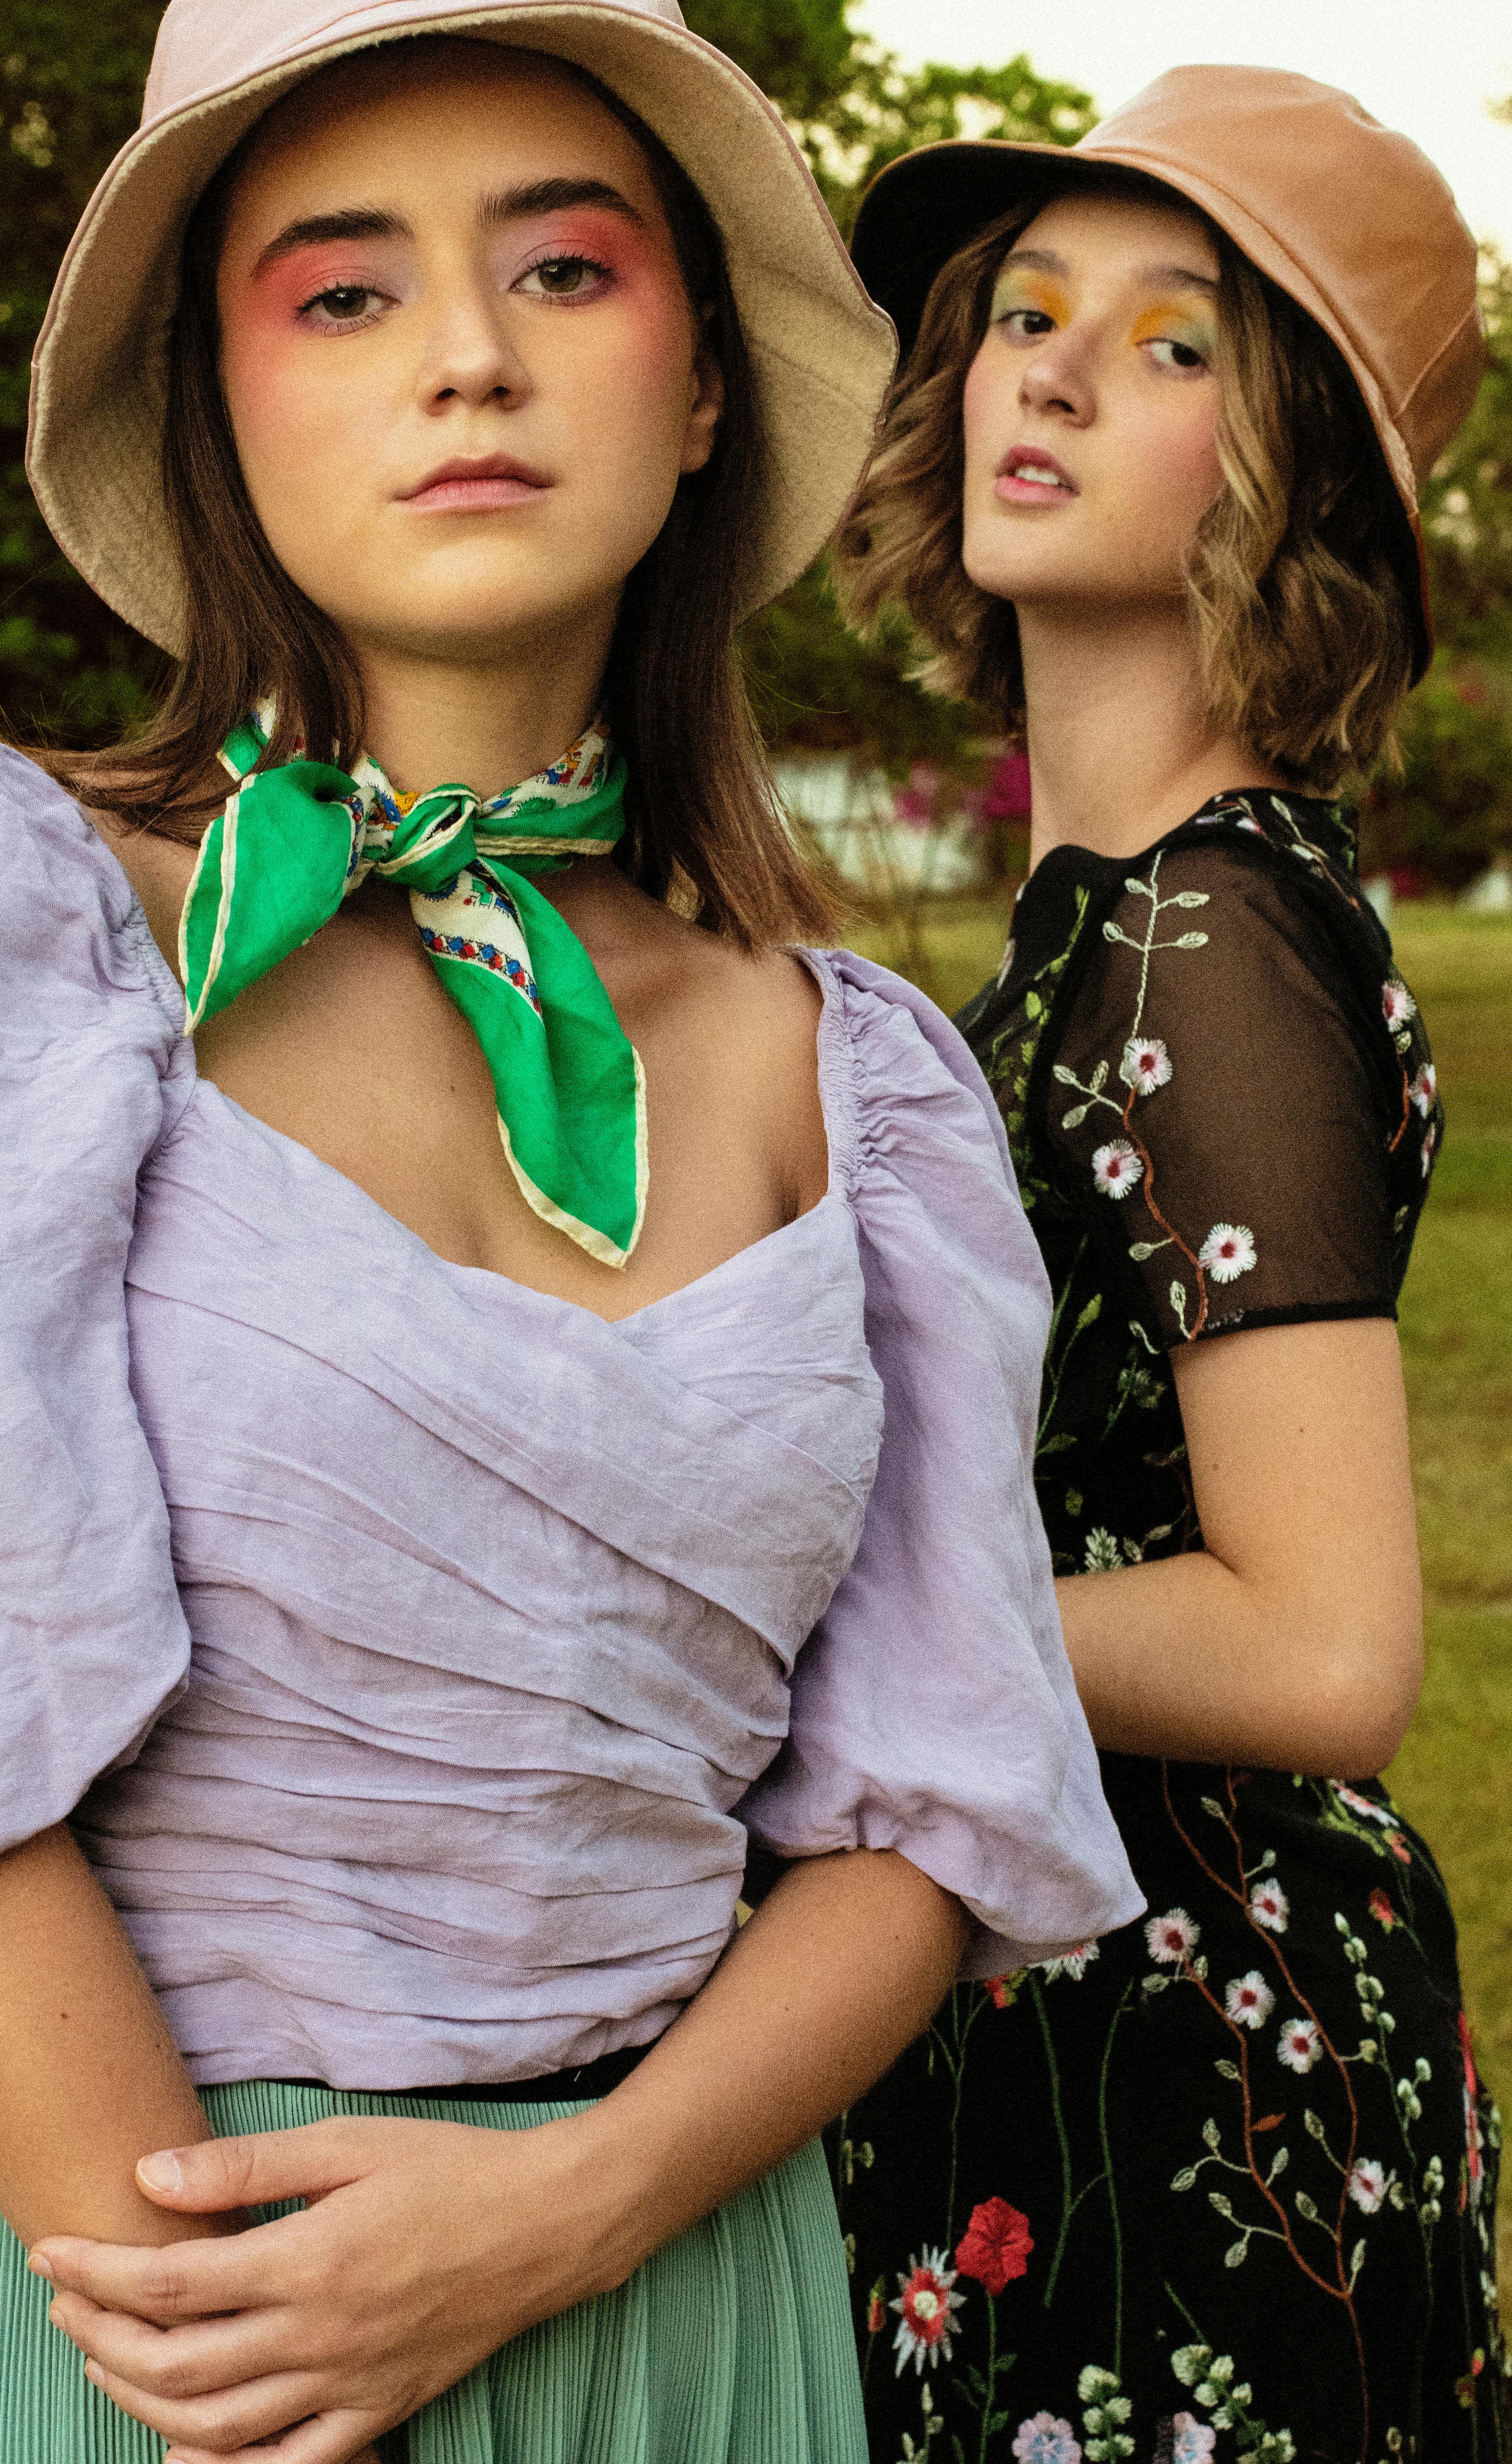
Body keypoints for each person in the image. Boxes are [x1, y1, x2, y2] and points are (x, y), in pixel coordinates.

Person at [0, 3, 1144, 2460]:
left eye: (566, 270)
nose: (469, 359)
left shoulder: (858, 1081)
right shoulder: (20, 930)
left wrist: (577, 2211)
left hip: (687, 2305)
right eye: (345, 291)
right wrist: (235, 2370)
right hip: (148, 2320)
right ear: (218, 408)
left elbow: (928, 1806)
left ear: (701, 385)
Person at [832, 65, 1509, 2464]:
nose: (1051, 371)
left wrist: (819, 1632)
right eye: (1026, 313)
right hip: (1069, 1992)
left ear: (1290, 476)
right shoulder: (1107, 917)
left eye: (1172, 339)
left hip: (1185, 2062)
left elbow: (1323, 1646)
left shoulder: (1204, 941)